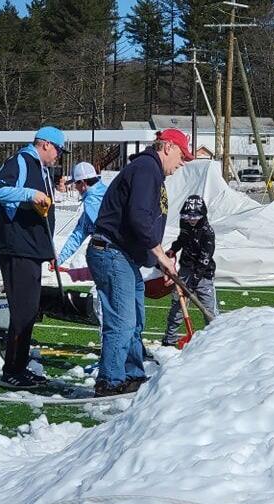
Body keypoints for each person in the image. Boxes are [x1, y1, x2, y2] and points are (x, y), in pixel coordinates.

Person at [88, 128, 192, 396]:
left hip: (125, 255)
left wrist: (160, 262)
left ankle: (132, 373)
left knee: (135, 320)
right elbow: (138, 219)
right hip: (111, 252)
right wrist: (159, 256)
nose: (182, 163)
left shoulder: (153, 174)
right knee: (122, 320)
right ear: (167, 147)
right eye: (182, 155)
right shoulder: (146, 169)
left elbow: (142, 226)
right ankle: (109, 381)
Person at [0, 126, 68, 389]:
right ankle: (12, 371)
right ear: (45, 144)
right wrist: (28, 194)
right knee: (23, 311)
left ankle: (19, 366)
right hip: (16, 247)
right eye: (57, 149)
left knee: (30, 310)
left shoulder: (43, 170)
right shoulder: (20, 161)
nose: (58, 155)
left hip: (32, 249)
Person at [162, 194, 218, 347]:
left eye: (195, 216)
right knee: (178, 306)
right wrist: (173, 249)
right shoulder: (185, 223)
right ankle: (170, 338)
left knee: (208, 308)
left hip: (203, 273)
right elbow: (182, 238)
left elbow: (205, 259)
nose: (191, 219)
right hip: (185, 270)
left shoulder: (207, 233)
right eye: (188, 215)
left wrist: (194, 281)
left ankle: (215, 340)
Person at [55, 162, 108, 266]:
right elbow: (80, 232)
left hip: (113, 256)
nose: (76, 187)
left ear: (83, 183)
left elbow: (80, 234)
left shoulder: (91, 201)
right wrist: (60, 259)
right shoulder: (109, 192)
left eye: (76, 183)